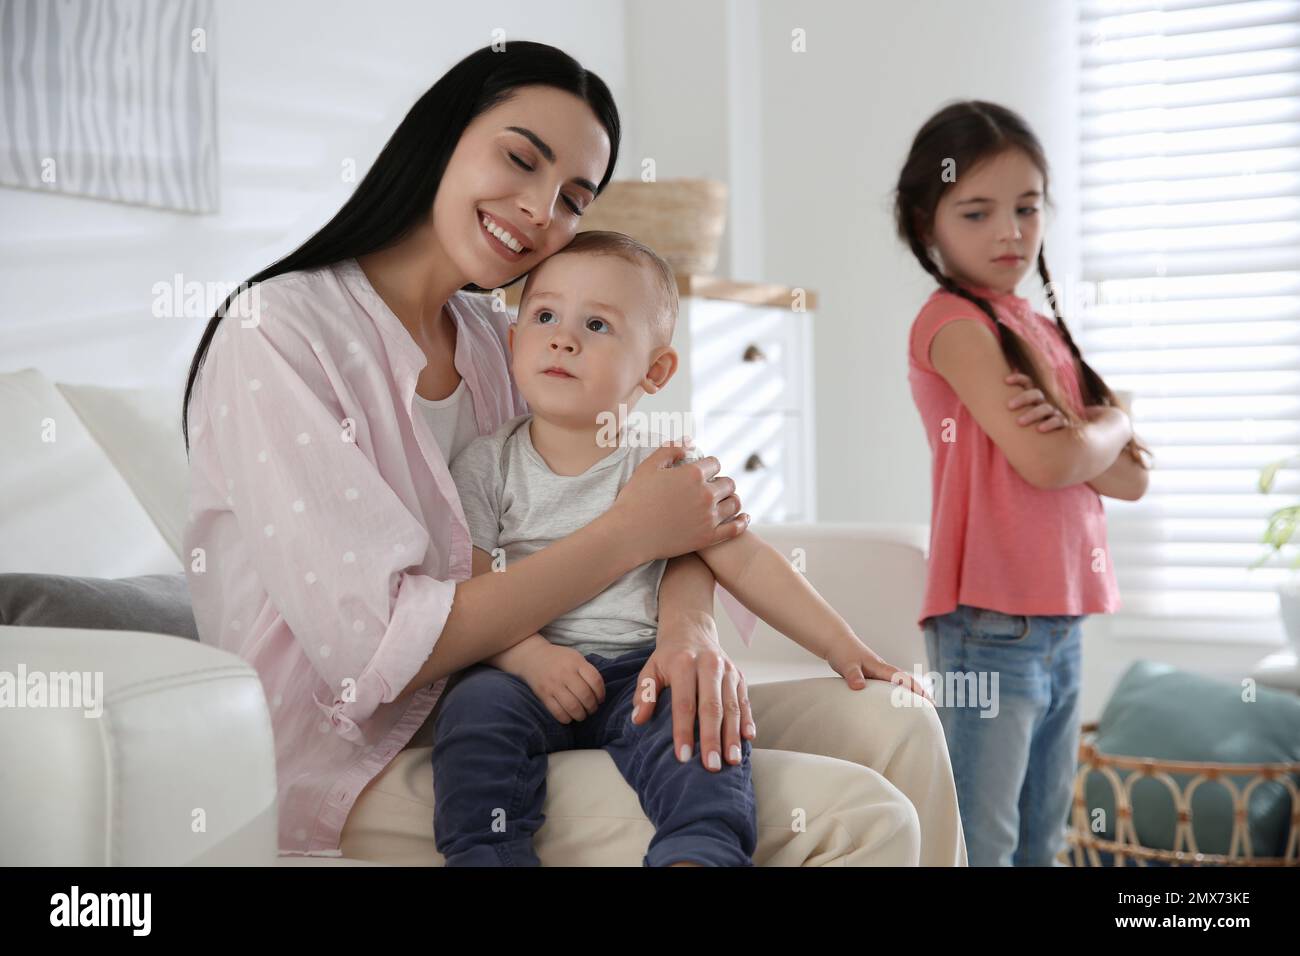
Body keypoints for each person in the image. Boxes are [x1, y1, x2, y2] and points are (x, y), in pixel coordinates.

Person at [181, 41, 964, 865]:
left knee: (897, 724)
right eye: (520, 159)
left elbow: (658, 510)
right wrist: (634, 536)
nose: (537, 209)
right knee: (862, 816)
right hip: (371, 754)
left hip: (584, 689)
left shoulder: (505, 341)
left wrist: (688, 628)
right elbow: (380, 642)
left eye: (571, 198)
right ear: (441, 136)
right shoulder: (279, 334)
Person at [431, 230, 933, 866]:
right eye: (546, 316)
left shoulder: (668, 464)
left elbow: (747, 560)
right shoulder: (487, 463)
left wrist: (846, 648)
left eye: (597, 325)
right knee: (474, 715)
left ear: (656, 370)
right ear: (513, 341)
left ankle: (699, 850)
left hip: (640, 670)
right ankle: (486, 855)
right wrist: (530, 658)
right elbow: (472, 584)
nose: (563, 338)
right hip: (520, 672)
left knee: (699, 722)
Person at [894, 99, 1152, 865]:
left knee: (1045, 837)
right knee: (987, 841)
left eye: (1027, 207)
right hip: (991, 624)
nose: (1010, 230)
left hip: (1059, 618)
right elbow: (1049, 464)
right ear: (924, 221)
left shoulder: (1034, 325)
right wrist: (1115, 420)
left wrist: (1090, 438)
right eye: (977, 212)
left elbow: (1130, 483)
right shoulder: (956, 325)